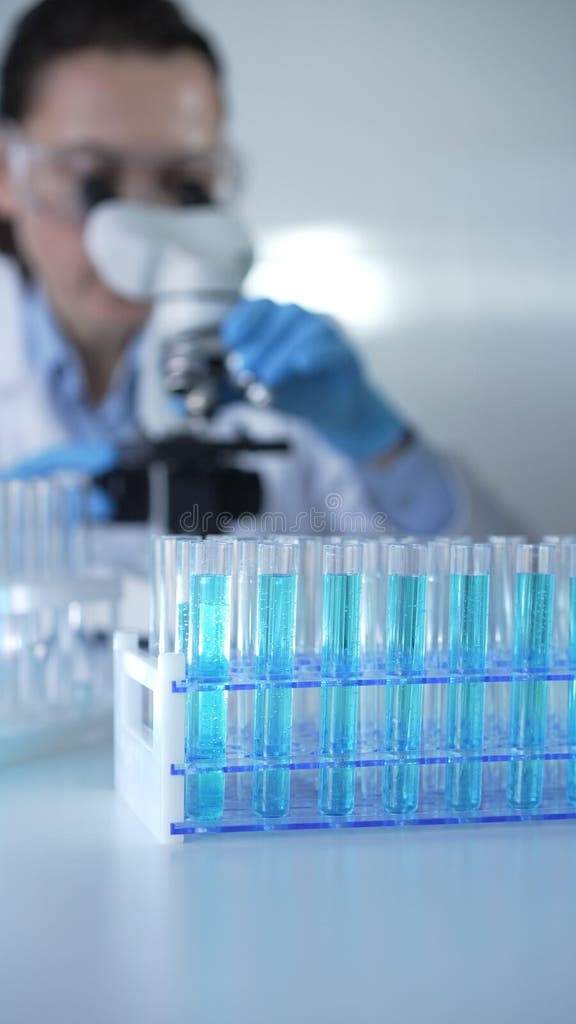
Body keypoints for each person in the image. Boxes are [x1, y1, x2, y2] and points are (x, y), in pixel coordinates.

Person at [0, 0, 516, 551]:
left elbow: (516, 604)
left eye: (183, 182)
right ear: (6, 175)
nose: (140, 229)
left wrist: (383, 448)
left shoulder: (279, 380)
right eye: (92, 181)